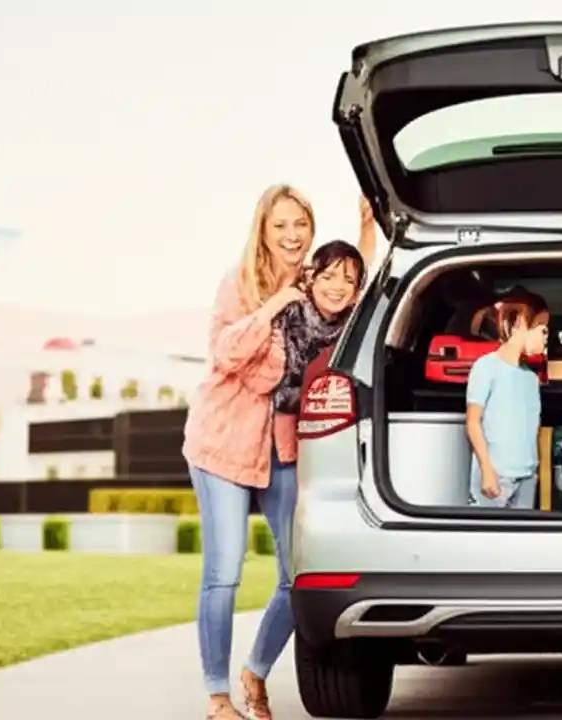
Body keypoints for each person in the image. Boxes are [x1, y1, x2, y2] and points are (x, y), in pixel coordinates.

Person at [181, 185, 376, 720]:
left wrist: (366, 232)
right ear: (263, 230)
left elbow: (350, 293)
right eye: (280, 226)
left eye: (301, 226)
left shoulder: (317, 287)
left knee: (298, 574)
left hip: (282, 447)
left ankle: (255, 672)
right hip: (223, 440)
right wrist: (273, 303)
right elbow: (228, 355)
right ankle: (219, 697)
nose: (292, 235)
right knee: (224, 569)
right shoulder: (241, 282)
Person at [271, 240, 367, 465]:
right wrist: (287, 451)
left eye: (348, 280)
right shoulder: (291, 316)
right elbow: (286, 387)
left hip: (319, 434)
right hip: (272, 434)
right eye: (328, 277)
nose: (338, 287)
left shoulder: (353, 328)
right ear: (311, 281)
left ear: (355, 293)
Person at [465, 292, 550, 509]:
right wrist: (486, 470)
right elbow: (474, 422)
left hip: (527, 476)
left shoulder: (531, 379)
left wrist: (536, 472)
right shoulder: (486, 367)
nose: (546, 337)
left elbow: (532, 428)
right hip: (495, 475)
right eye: (543, 330)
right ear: (520, 323)